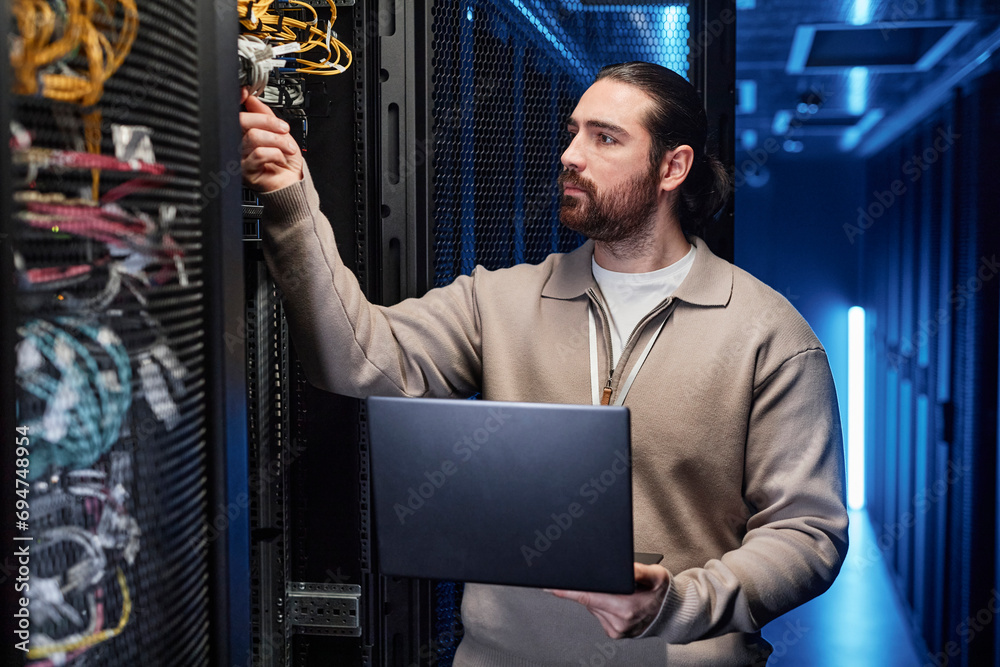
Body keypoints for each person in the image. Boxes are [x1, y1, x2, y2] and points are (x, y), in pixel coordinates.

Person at [240, 61, 848, 666]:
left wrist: (680, 602)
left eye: (605, 137)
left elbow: (807, 534)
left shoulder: (767, 334)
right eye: (573, 131)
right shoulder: (498, 301)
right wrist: (289, 196)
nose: (570, 154)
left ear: (673, 167)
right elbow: (355, 356)